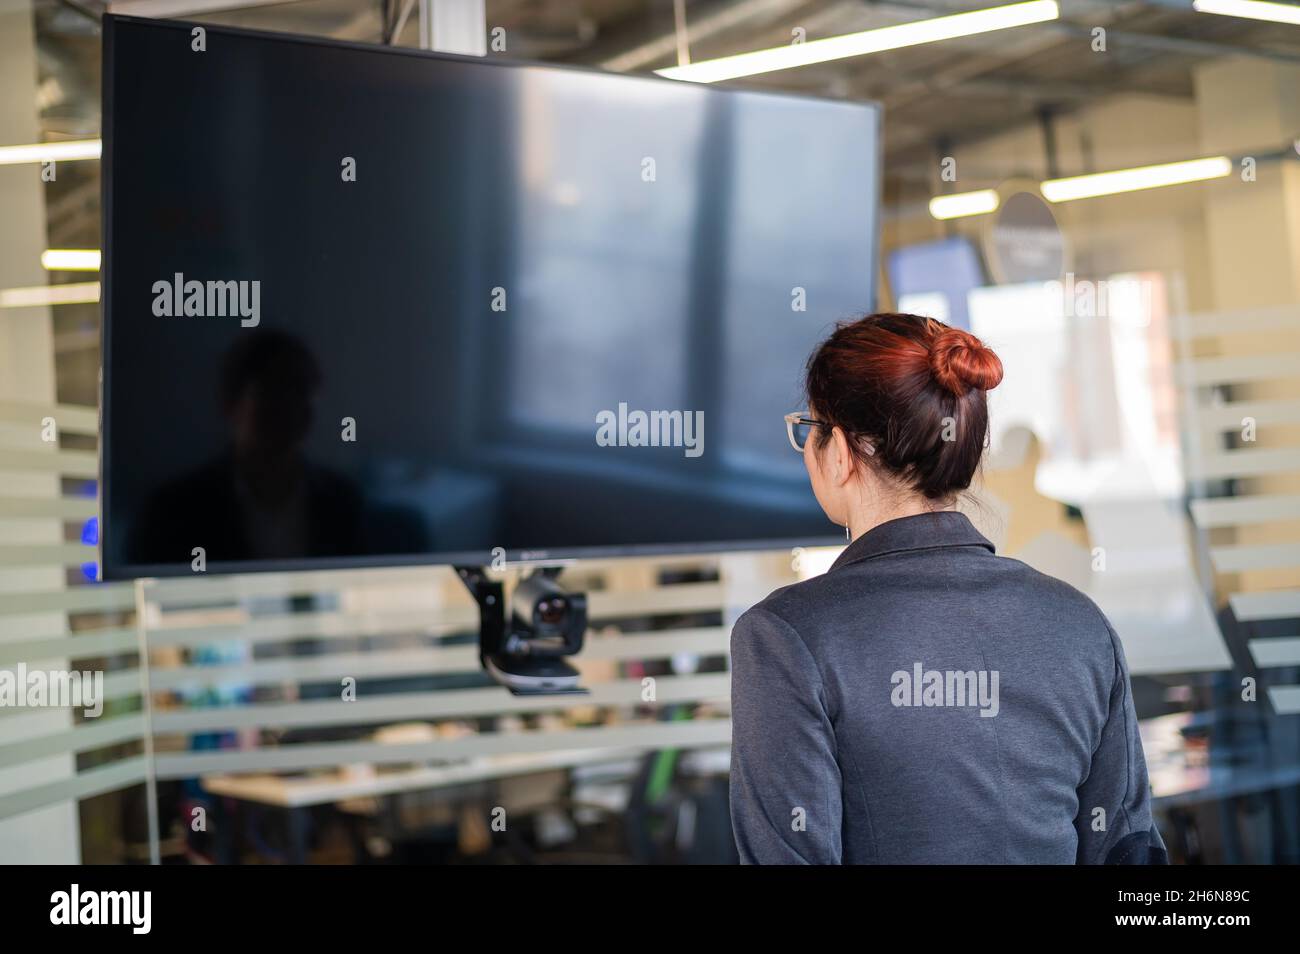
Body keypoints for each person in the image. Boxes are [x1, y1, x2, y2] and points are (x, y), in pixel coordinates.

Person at [729, 312, 1166, 865]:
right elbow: (1129, 855)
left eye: (808, 431)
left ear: (839, 452)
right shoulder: (1079, 624)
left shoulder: (784, 637)